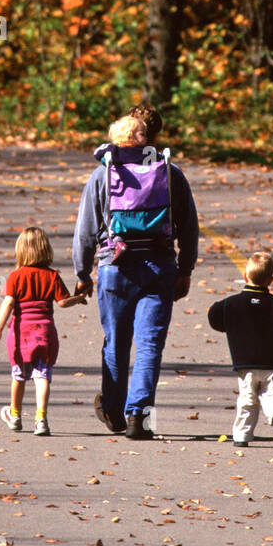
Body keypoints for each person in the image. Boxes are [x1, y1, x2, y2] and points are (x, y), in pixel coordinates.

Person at [72, 107, 198, 441]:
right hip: (159, 267)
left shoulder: (105, 172)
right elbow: (189, 227)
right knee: (150, 344)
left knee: (116, 342)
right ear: (156, 137)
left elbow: (86, 229)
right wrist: (185, 269)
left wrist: (82, 272)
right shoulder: (170, 173)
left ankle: (113, 409)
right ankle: (138, 416)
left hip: (115, 267)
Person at [0, 226, 86, 436]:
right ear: (45, 249)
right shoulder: (52, 276)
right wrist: (78, 298)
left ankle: (15, 415)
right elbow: (62, 302)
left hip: (21, 334)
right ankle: (41, 419)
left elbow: (8, 304)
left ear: (20, 250)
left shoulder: (15, 276)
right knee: (42, 376)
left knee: (19, 376)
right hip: (45, 333)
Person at [207, 250, 273, 447]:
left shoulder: (230, 304)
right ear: (271, 280)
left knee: (247, 401)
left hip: (245, 364)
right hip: (272, 364)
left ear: (245, 276)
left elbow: (214, 317)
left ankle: (242, 436)